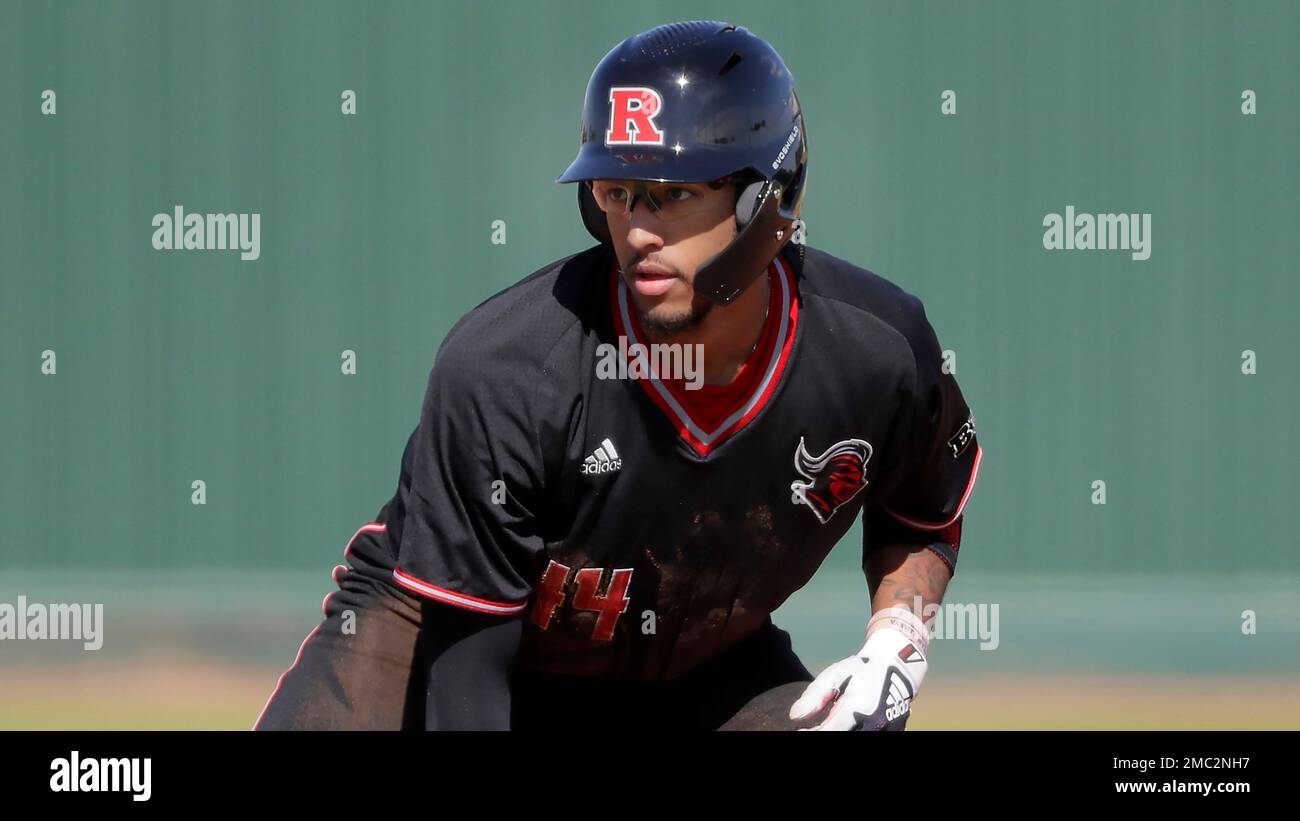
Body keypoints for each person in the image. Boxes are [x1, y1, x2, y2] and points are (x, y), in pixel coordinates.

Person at [255, 19, 983, 732]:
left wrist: (898, 644)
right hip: (441, 638)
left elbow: (922, 515)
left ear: (769, 198)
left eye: (673, 194)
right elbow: (468, 679)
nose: (638, 231)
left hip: (700, 666)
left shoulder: (877, 348)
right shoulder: (507, 369)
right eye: (616, 192)